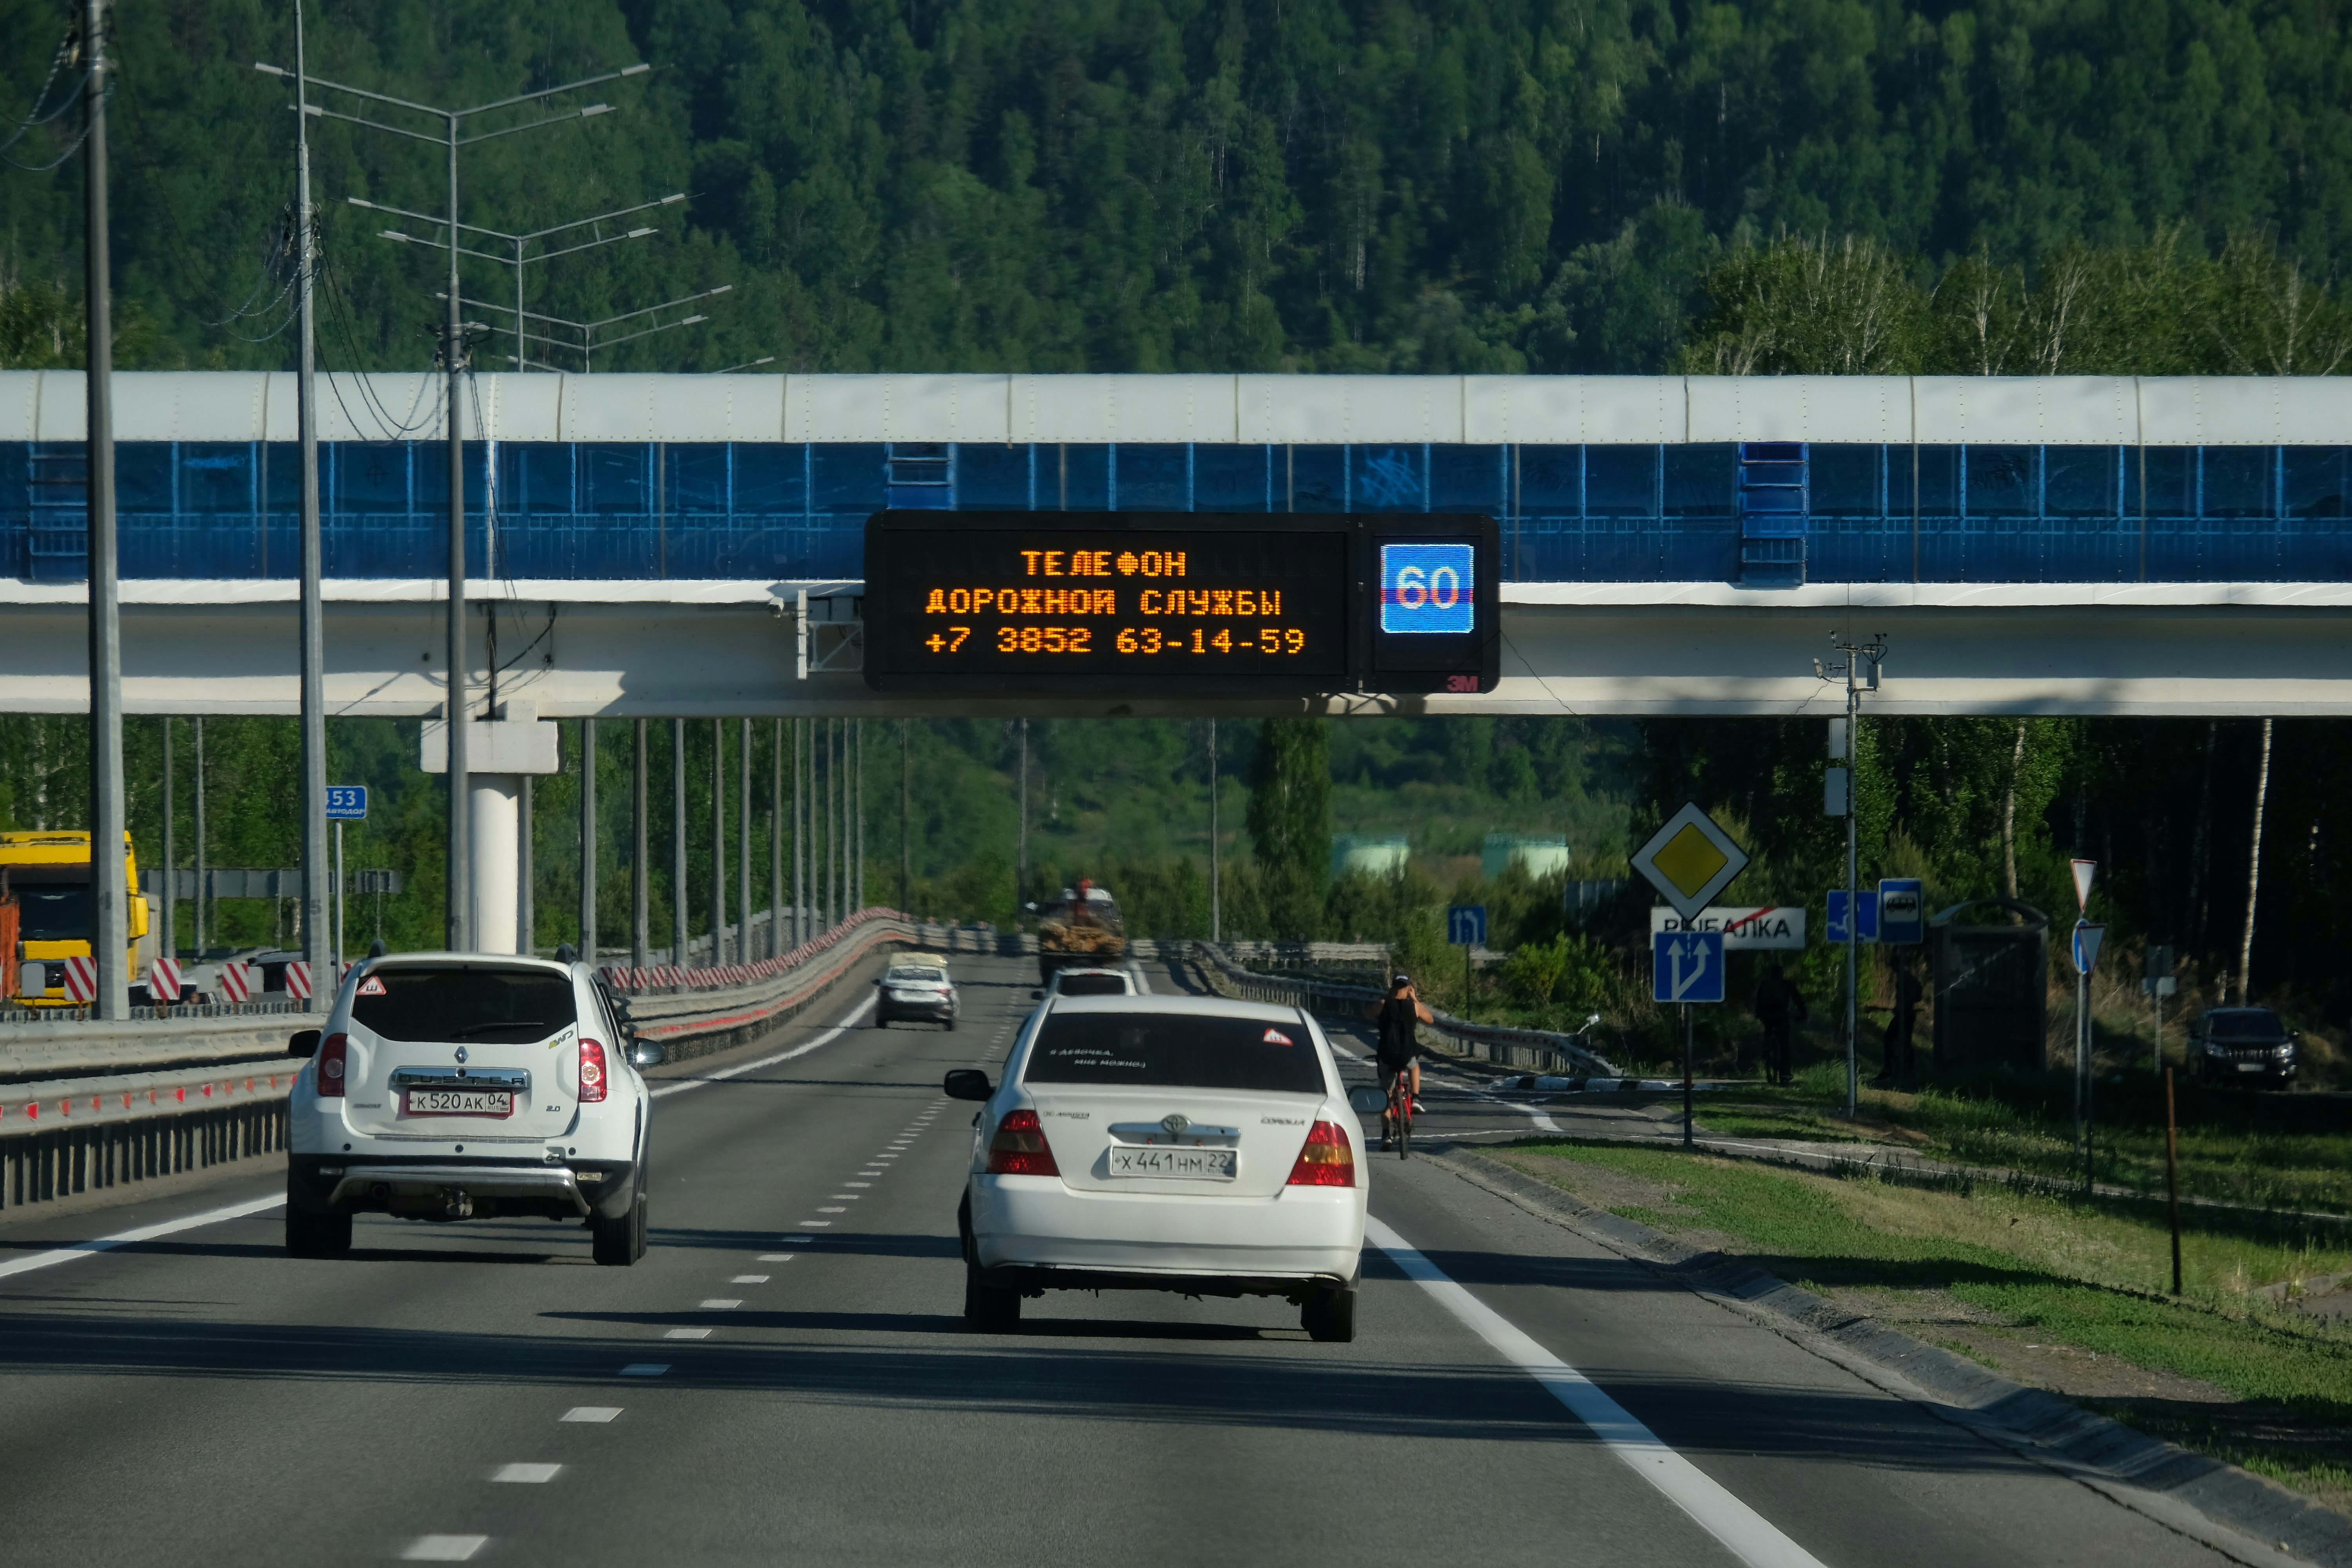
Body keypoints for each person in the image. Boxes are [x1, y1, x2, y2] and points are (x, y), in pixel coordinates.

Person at [1369, 973, 1434, 1149]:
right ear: (1409, 988)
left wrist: (1386, 998)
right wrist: (1416, 999)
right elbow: (1430, 1019)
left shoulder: (1384, 1005)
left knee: (1386, 1096)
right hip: (1406, 1054)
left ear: (1393, 987)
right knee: (1414, 1066)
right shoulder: (1414, 1007)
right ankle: (1416, 1099)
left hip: (1387, 1055)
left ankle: (1385, 1135)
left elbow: (1368, 1014)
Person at [1752, 962, 1808, 1086]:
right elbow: (1798, 999)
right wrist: (1803, 1014)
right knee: (1785, 1045)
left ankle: (1766, 1050)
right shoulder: (1787, 985)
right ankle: (1785, 1073)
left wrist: (1759, 1015)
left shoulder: (1765, 985)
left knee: (1768, 1034)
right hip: (1782, 1018)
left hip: (1767, 1018)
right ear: (1781, 974)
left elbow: (1758, 1002)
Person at [1876, 956, 1924, 1084]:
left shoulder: (1905, 977)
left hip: (1906, 1014)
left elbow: (1915, 993)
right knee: (1901, 1040)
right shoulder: (1907, 977)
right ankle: (1902, 1069)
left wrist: (1904, 1006)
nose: (1893, 970)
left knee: (1892, 1038)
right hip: (1905, 1013)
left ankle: (1894, 1069)